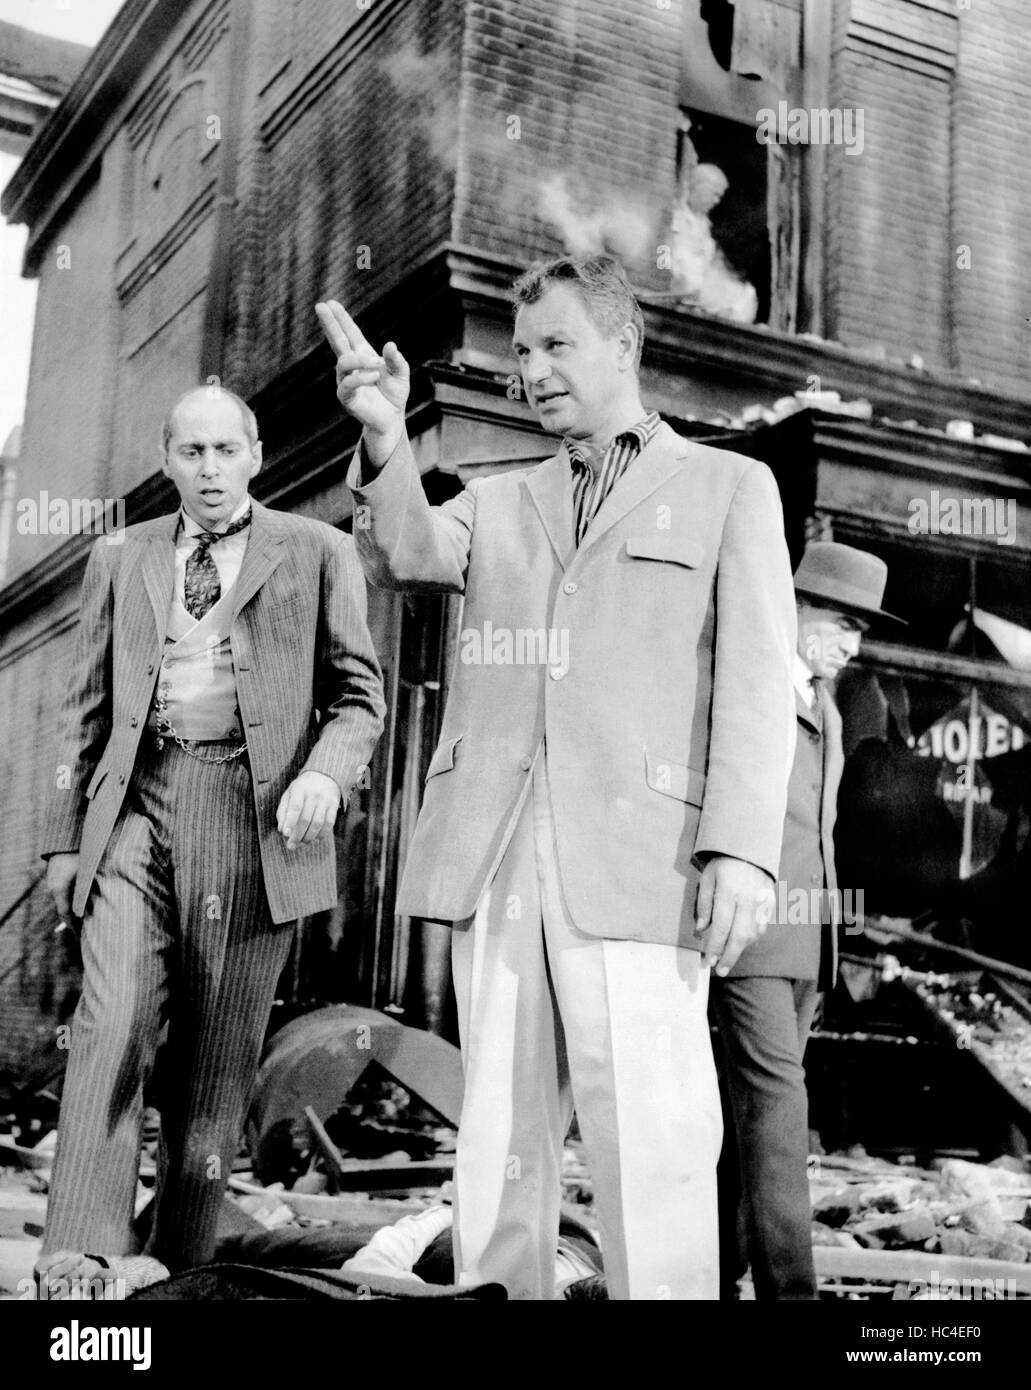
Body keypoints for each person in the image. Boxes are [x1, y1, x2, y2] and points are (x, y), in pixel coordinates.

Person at [316, 254, 797, 1300]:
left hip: (641, 858)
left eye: (555, 346)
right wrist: (386, 436)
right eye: (521, 349)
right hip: (497, 857)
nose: (530, 369)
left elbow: (761, 681)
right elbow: (401, 553)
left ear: (621, 346)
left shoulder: (727, 487)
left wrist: (739, 851)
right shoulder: (497, 502)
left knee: (655, 1139)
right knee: (498, 1134)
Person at [35, 385, 385, 1296]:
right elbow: (84, 705)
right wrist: (63, 843)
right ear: (167, 459)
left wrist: (324, 773)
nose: (210, 469)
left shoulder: (319, 552)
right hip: (137, 806)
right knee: (109, 1022)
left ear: (257, 454)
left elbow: (359, 697)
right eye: (192, 452)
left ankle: (179, 1267)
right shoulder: (123, 555)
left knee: (214, 1057)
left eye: (226, 450)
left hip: (255, 814)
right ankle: (79, 1261)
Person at [711, 540, 900, 1300]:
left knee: (745, 1110)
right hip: (751, 935)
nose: (850, 644)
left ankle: (718, 1274)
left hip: (804, 942)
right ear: (791, 609)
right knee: (780, 1111)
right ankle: (791, 1293)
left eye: (860, 631)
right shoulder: (748, 685)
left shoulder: (820, 702)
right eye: (840, 622)